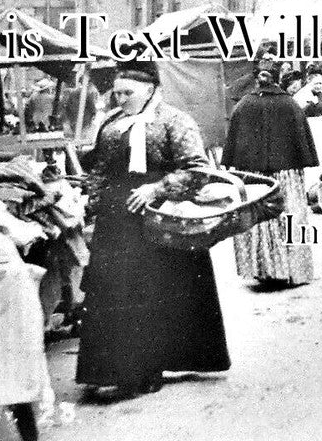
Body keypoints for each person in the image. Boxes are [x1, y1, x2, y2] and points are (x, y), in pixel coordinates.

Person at [76, 59, 230, 397]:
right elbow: (100, 168)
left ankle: (148, 368)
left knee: (157, 291)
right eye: (116, 94)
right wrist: (92, 205)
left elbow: (197, 169)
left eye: (127, 93)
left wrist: (157, 189)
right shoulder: (112, 123)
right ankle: (111, 369)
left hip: (161, 219)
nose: (120, 100)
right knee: (115, 290)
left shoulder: (175, 121)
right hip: (117, 221)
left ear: (149, 90)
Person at [223, 68, 319, 286]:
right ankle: (292, 270)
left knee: (260, 219)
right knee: (289, 215)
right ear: (278, 80)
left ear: (256, 80)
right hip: (286, 174)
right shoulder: (290, 105)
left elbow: (233, 141)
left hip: (254, 175)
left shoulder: (244, 105)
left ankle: (264, 270)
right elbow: (302, 141)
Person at [294, 64, 322, 192]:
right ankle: (313, 188)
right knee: (317, 155)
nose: (319, 86)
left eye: (321, 83)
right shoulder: (301, 94)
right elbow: (296, 114)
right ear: (309, 80)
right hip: (312, 128)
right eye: (316, 83)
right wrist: (308, 105)